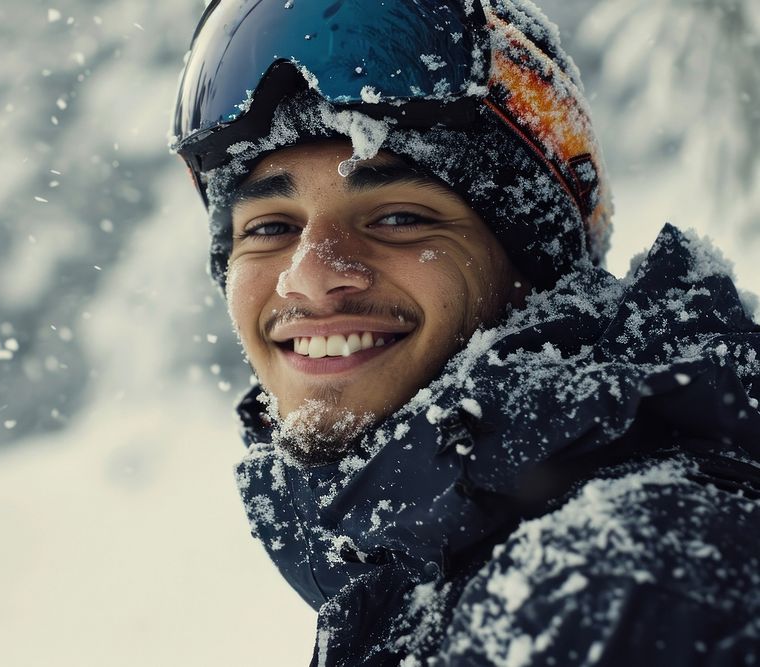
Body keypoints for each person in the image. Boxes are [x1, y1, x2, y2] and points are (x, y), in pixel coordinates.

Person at [171, 0, 760, 664]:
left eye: (396, 218)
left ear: (532, 273)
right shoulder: (438, 569)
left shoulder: (615, 582)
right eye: (270, 228)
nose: (307, 278)